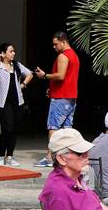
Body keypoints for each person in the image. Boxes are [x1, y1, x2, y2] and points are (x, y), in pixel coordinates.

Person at [33, 31, 80, 167]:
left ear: (63, 42)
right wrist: (52, 88)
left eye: (56, 44)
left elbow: (60, 76)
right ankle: (66, 156)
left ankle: (50, 157)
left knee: (53, 127)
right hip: (70, 96)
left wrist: (44, 75)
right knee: (67, 128)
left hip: (61, 97)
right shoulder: (74, 56)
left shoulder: (63, 56)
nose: (54, 47)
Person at [0, 42, 32, 167]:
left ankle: (10, 156)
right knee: (6, 128)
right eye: (10, 51)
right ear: (3, 53)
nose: (13, 53)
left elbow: (29, 73)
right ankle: (2, 156)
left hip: (17, 102)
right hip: (3, 103)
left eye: (13, 51)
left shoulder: (16, 65)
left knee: (14, 129)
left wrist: (23, 85)